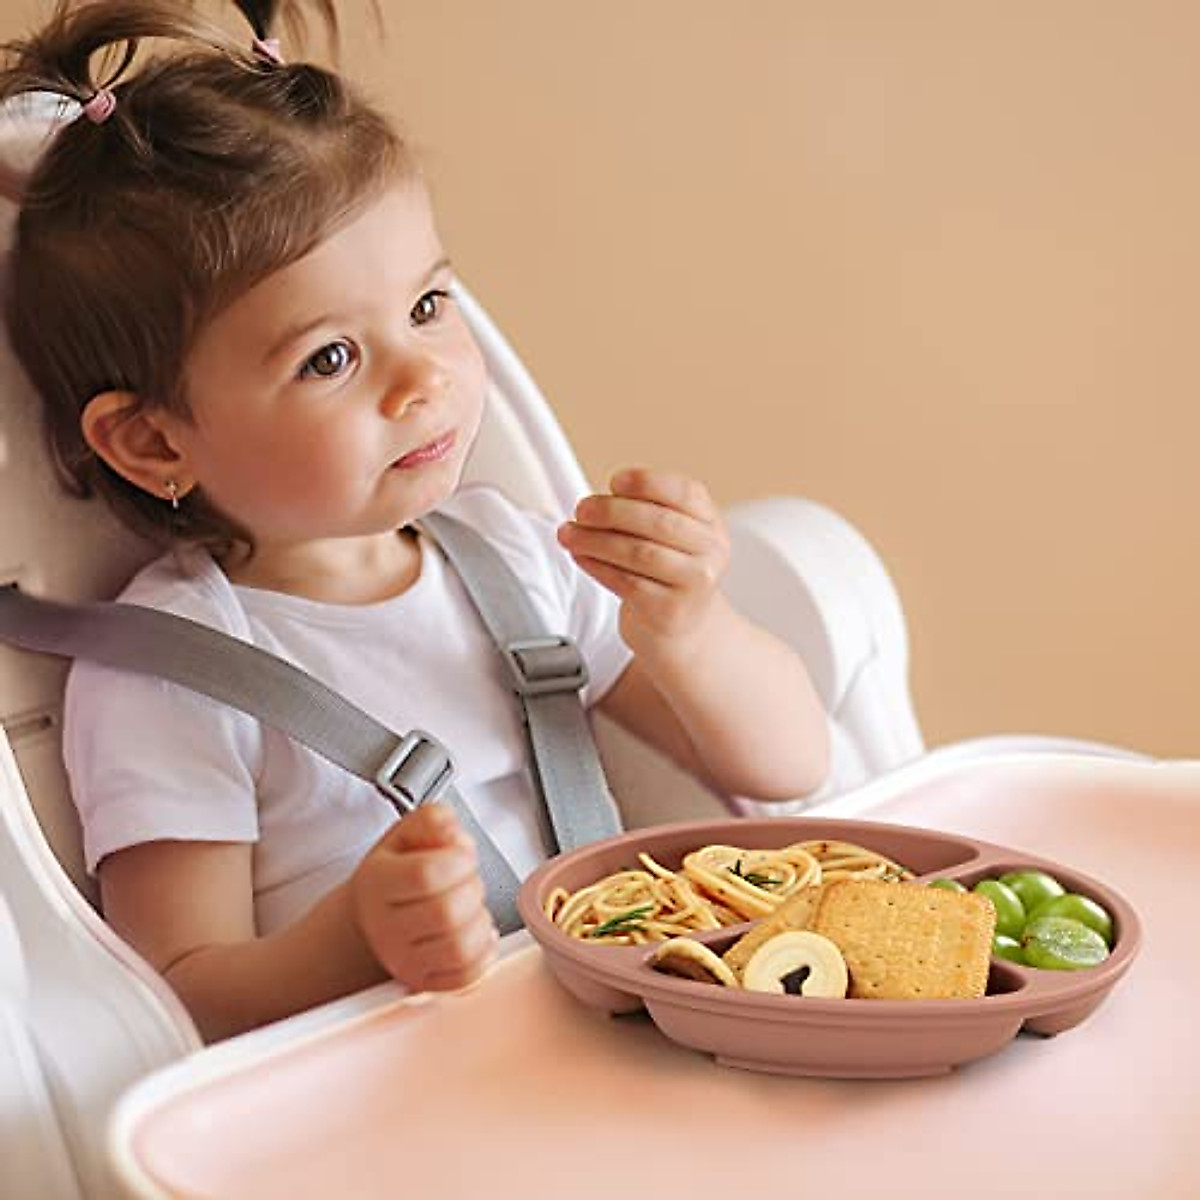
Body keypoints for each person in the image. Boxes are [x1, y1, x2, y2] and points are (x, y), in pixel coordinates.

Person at [0, 0, 830, 1041]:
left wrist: (692, 629)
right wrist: (354, 938)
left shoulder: (521, 560)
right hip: (392, 1090)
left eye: (429, 307)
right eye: (330, 358)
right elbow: (175, 1005)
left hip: (612, 1039)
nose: (422, 379)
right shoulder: (172, 674)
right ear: (153, 443)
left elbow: (788, 767)